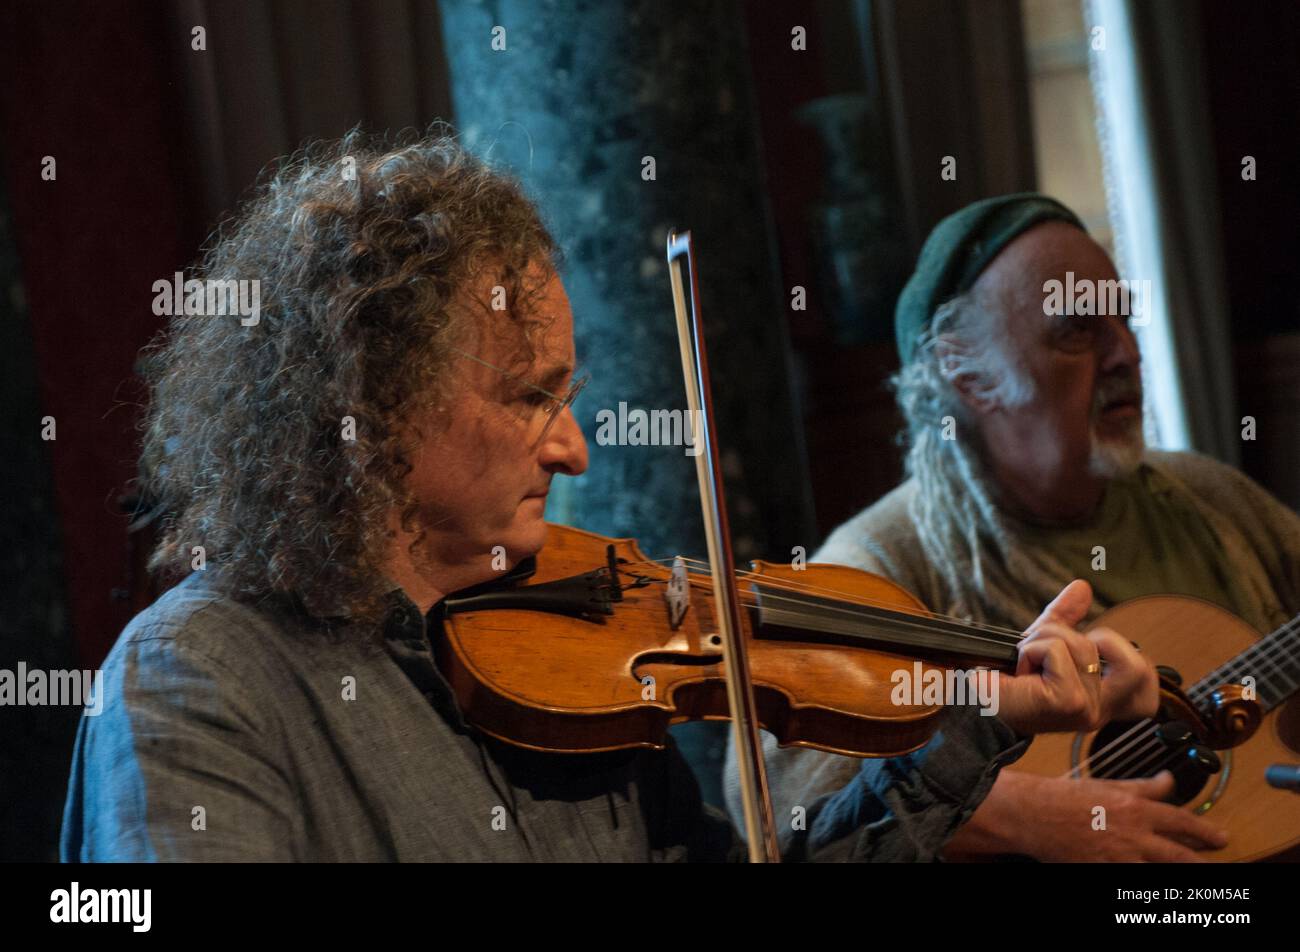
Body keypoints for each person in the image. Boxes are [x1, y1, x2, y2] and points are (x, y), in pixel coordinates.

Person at [61, 141, 1155, 862]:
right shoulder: (196, 682)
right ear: (373, 402)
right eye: (531, 397)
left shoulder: (577, 662)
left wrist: (978, 725)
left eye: (569, 396)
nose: (575, 448)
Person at [734, 193, 1297, 861]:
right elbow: (778, 810)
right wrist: (1014, 814)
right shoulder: (883, 562)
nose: (1126, 355)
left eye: (1124, 320)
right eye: (1078, 330)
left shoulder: (1208, 496)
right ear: (967, 373)